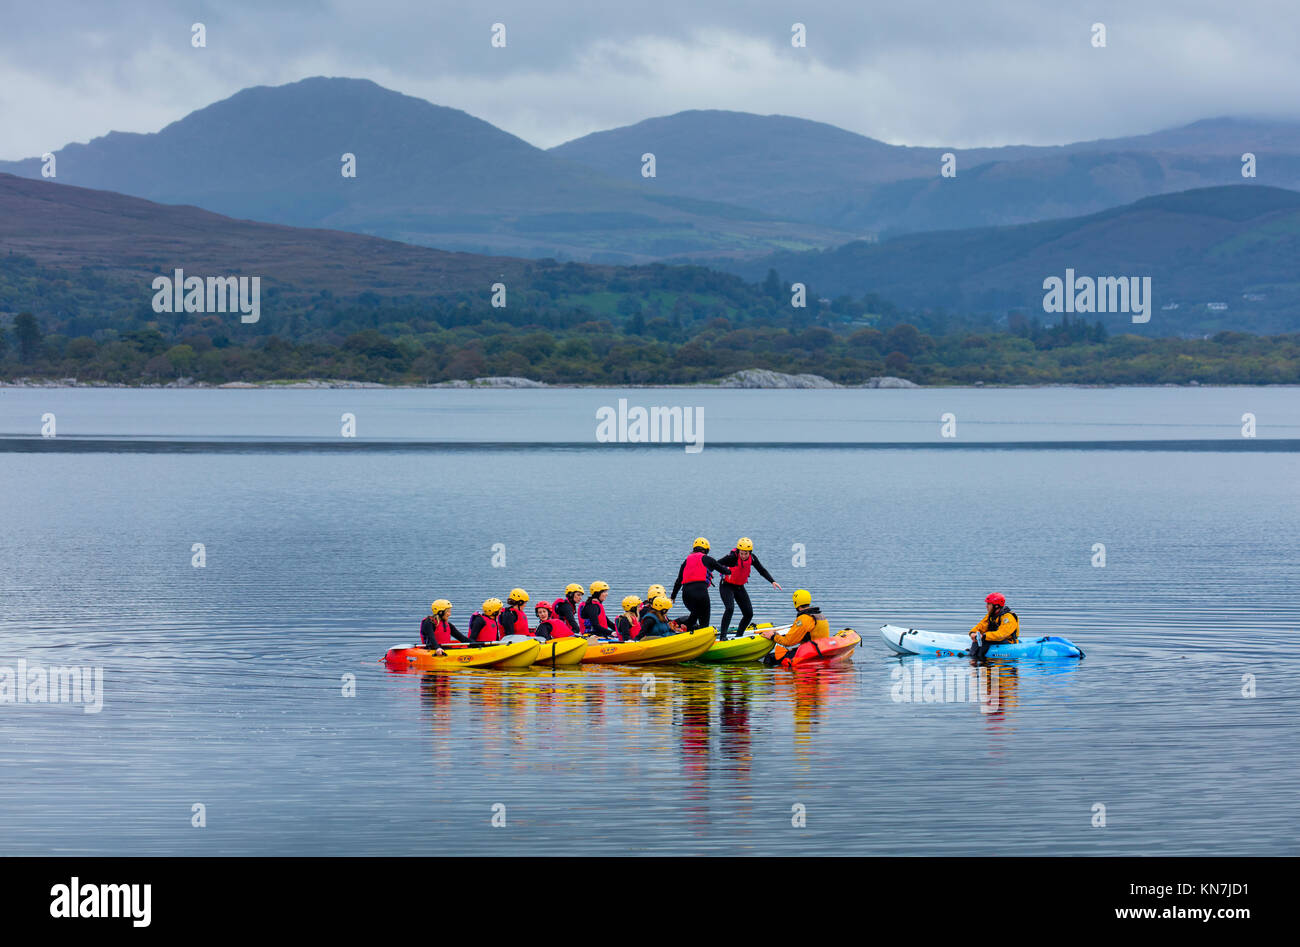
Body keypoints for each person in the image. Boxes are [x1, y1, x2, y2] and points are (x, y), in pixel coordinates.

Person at [714, 537, 782, 639]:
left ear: (750, 552)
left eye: (746, 553)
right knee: (730, 608)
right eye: (741, 553)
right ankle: (723, 636)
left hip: (739, 587)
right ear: (738, 551)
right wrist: (724, 570)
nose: (743, 556)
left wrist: (772, 581)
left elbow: (761, 570)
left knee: (749, 613)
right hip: (726, 585)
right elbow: (715, 563)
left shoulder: (752, 558)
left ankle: (739, 635)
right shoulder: (732, 557)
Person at [670, 538, 730, 631]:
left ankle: (683, 627)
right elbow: (723, 570)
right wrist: (730, 570)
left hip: (686, 595)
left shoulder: (686, 561)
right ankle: (700, 635)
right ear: (706, 550)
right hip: (700, 593)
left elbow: (679, 581)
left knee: (695, 613)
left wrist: (673, 596)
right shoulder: (707, 558)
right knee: (704, 621)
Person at [760, 589, 829, 666]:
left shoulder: (804, 618)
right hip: (820, 650)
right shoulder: (819, 615)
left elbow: (788, 642)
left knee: (770, 657)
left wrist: (773, 636)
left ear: (796, 603)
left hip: (810, 653)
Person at [968, 593, 1019, 659]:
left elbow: (1001, 634)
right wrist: (972, 633)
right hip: (995, 639)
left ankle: (976, 658)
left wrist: (984, 636)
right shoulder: (990, 615)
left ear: (996, 606)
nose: (986, 606)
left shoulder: (1008, 618)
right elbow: (981, 626)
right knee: (979, 639)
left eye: (989, 604)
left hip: (1008, 642)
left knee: (984, 640)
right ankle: (973, 655)